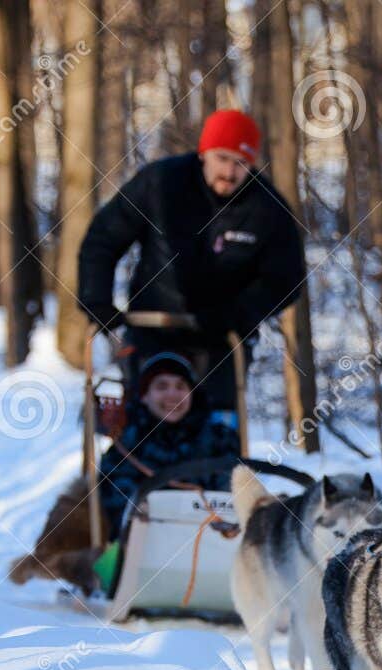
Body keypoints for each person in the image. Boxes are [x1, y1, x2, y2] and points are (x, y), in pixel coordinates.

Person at [77, 108, 307, 425]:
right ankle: (138, 471)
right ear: (204, 153)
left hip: (220, 340)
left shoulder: (267, 208)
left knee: (214, 429)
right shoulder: (160, 183)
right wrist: (96, 299)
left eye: (241, 163)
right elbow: (103, 238)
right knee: (145, 422)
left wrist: (238, 313)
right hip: (152, 328)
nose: (229, 172)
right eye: (223, 159)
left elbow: (287, 280)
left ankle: (216, 473)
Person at [96, 351, 239, 534]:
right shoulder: (125, 445)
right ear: (144, 396)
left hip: (209, 541)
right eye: (161, 387)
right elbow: (118, 507)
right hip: (142, 544)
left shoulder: (220, 440)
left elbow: (230, 492)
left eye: (180, 387)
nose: (172, 394)